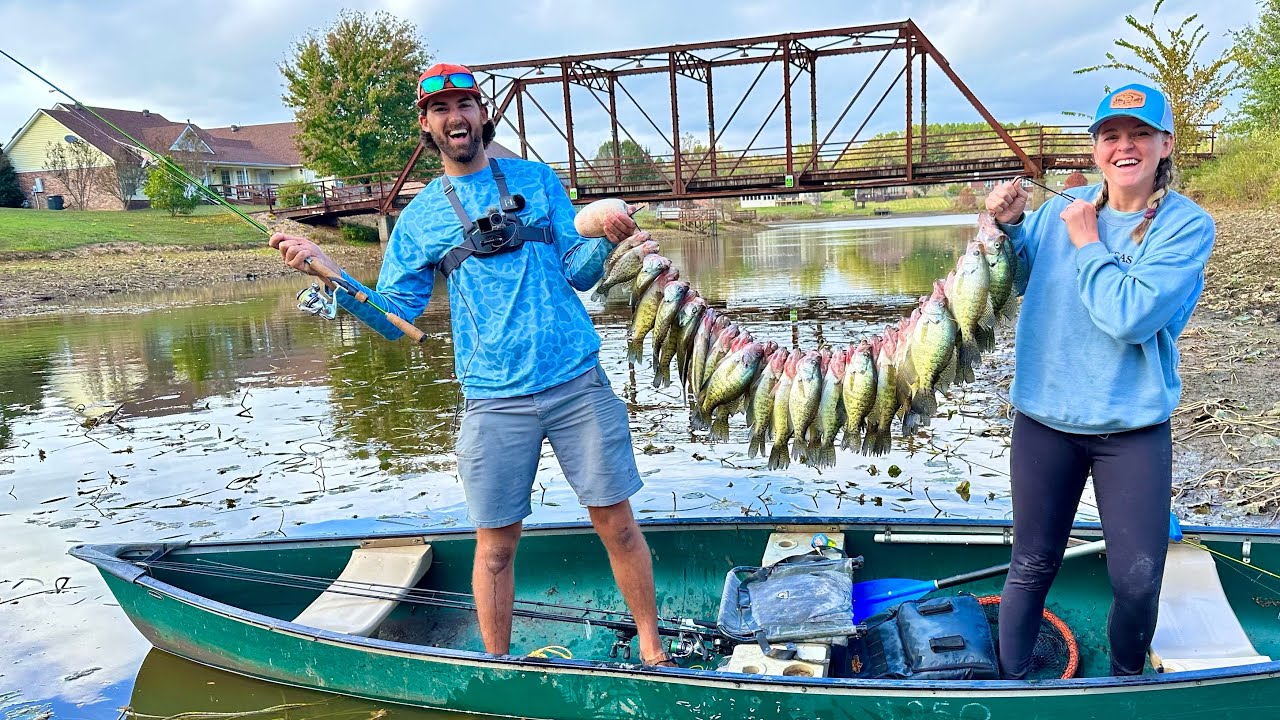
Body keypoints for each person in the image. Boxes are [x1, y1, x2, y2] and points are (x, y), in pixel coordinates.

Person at [269, 63, 674, 666]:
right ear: (427, 125)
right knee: (494, 546)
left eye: (465, 104)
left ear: (482, 113)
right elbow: (394, 317)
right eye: (441, 110)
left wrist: (609, 236)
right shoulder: (419, 219)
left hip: (577, 382)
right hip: (492, 398)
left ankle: (652, 646)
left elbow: (580, 274)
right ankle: (497, 665)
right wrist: (331, 273)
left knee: (616, 522)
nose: (455, 117)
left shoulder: (538, 181)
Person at [984, 83, 1214, 678]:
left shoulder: (1185, 227)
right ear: (1095, 149)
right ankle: (1014, 685)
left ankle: (1124, 684)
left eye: (1140, 134)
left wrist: (1087, 240)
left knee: (1137, 582)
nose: (1125, 146)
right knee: (1031, 564)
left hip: (1131, 428)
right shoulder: (1063, 207)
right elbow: (1017, 277)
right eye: (1111, 135)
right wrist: (1008, 229)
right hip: (1044, 420)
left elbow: (1130, 316)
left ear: (1165, 145)